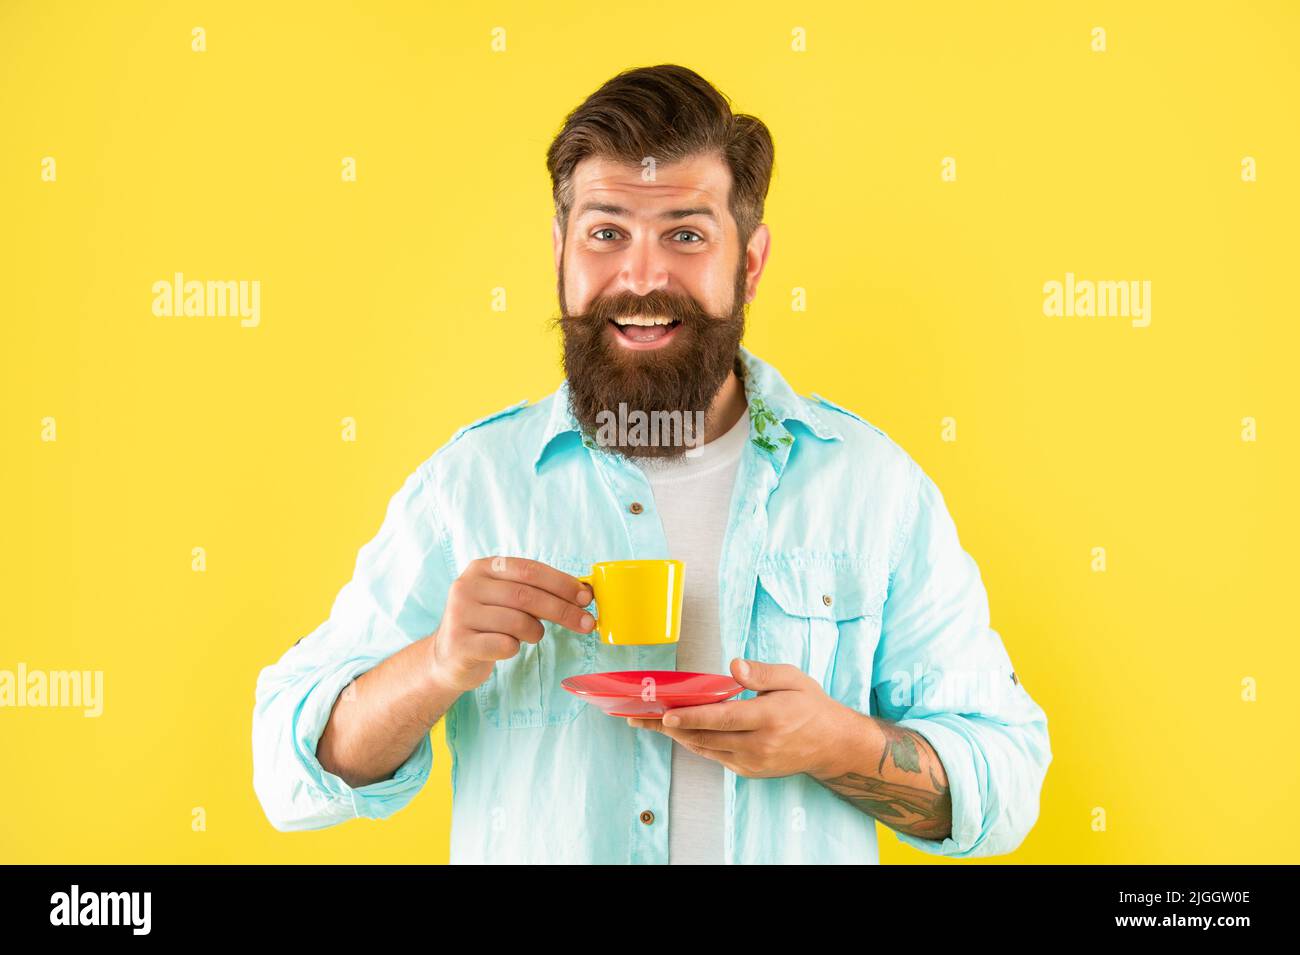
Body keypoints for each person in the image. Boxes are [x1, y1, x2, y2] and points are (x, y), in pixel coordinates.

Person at [252, 63, 1052, 864]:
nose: (641, 276)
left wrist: (838, 742)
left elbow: (1007, 781)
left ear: (752, 261)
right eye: (607, 234)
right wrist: (434, 664)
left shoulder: (871, 489)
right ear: (561, 249)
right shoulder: (471, 489)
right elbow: (287, 774)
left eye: (686, 233)